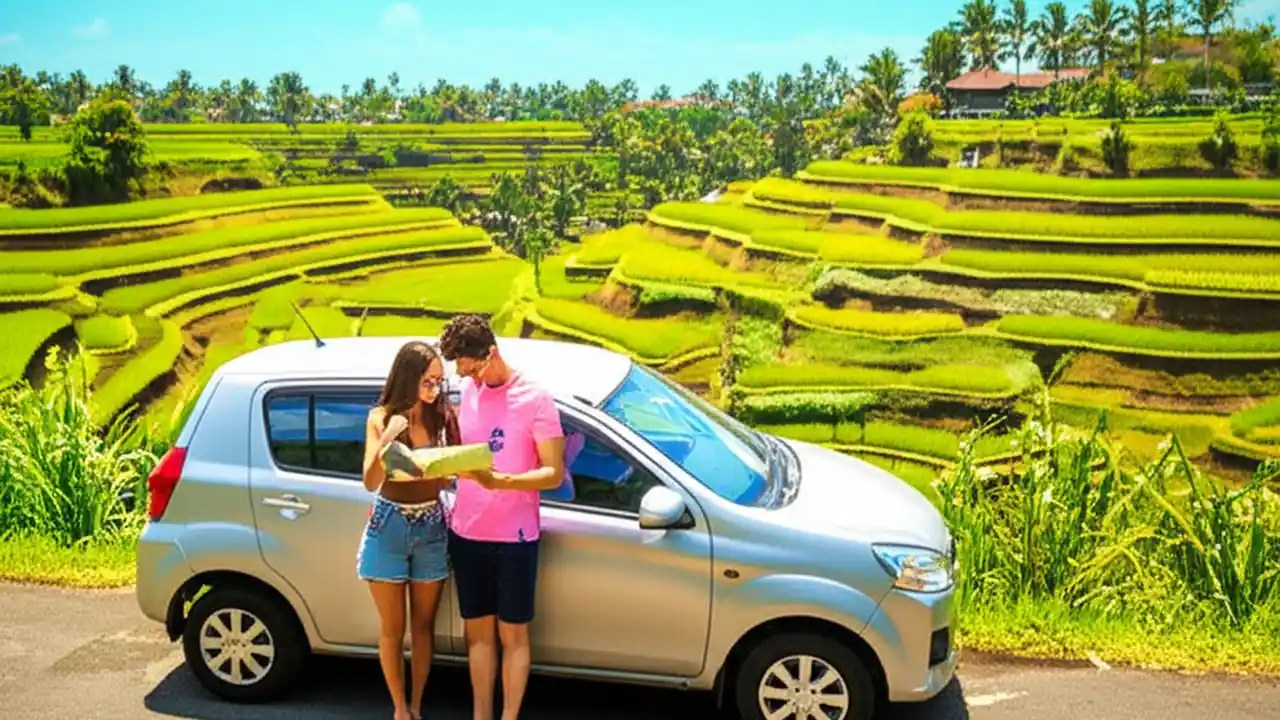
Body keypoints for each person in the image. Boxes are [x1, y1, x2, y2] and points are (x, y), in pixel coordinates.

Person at [438, 314, 565, 720]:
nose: (464, 375)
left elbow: (554, 472)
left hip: (516, 537)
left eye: (469, 366)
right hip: (467, 532)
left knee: (513, 634)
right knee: (477, 635)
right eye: (459, 369)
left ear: (491, 352)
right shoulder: (467, 392)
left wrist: (502, 481)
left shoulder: (536, 399)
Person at [359, 340, 460, 720]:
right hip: (389, 524)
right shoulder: (380, 417)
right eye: (428, 382)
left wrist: (449, 469)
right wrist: (387, 439)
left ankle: (417, 704)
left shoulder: (443, 417)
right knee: (393, 627)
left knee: (423, 625)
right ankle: (399, 708)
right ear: (408, 378)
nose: (434, 389)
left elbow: (455, 473)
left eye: (438, 382)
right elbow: (370, 480)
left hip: (431, 523)